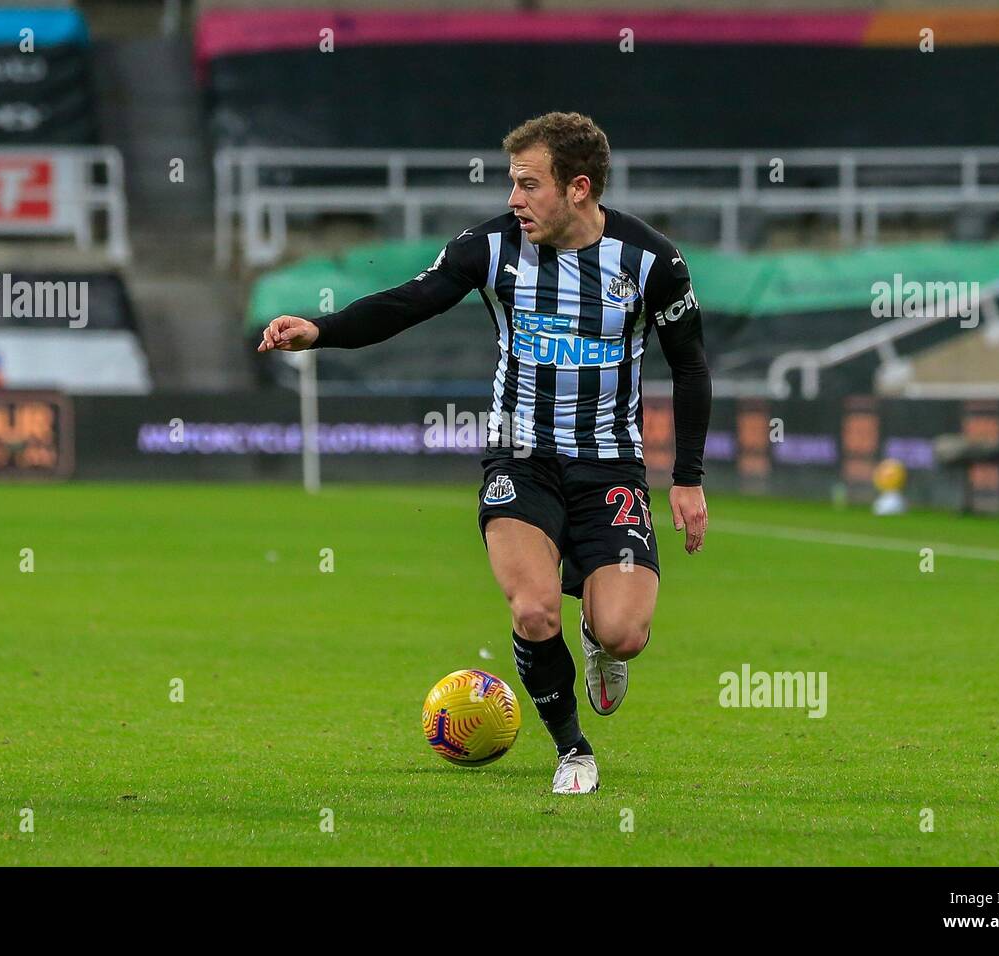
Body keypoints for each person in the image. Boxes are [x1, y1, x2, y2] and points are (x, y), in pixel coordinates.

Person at [259, 111, 711, 794]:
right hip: (519, 458)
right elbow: (409, 301)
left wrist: (687, 479)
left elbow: (691, 368)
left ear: (579, 188)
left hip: (610, 467)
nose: (513, 199)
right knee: (532, 610)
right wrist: (319, 330)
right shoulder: (490, 248)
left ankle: (597, 631)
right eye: (511, 183)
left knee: (621, 632)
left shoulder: (652, 261)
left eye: (529, 185)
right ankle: (573, 751)